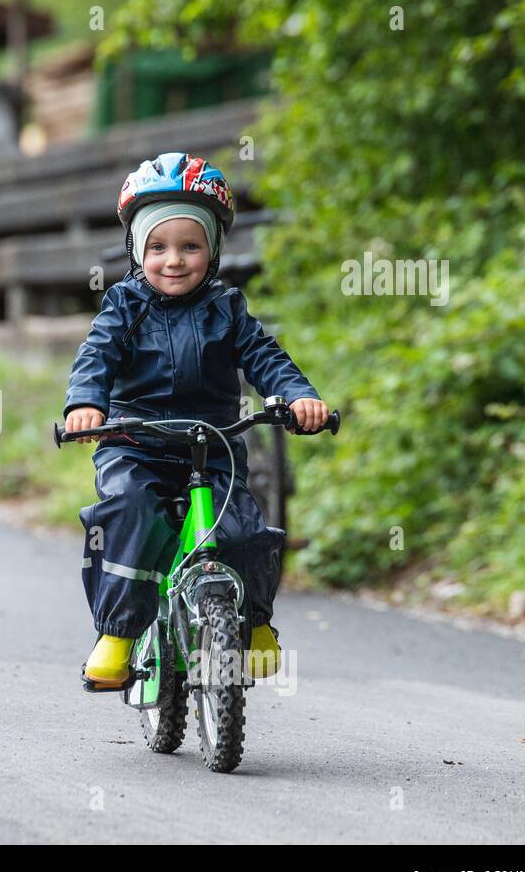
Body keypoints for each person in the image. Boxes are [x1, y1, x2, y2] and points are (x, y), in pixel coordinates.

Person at [64, 152, 329, 687]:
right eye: (158, 247)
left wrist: (298, 397)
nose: (174, 260)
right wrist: (85, 404)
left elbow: (265, 358)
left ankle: (254, 625)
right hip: (134, 440)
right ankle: (117, 634)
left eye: (191, 246)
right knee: (131, 514)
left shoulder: (226, 309)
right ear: (138, 251)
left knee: (245, 533)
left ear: (213, 249)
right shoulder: (122, 305)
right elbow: (97, 356)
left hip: (212, 441)